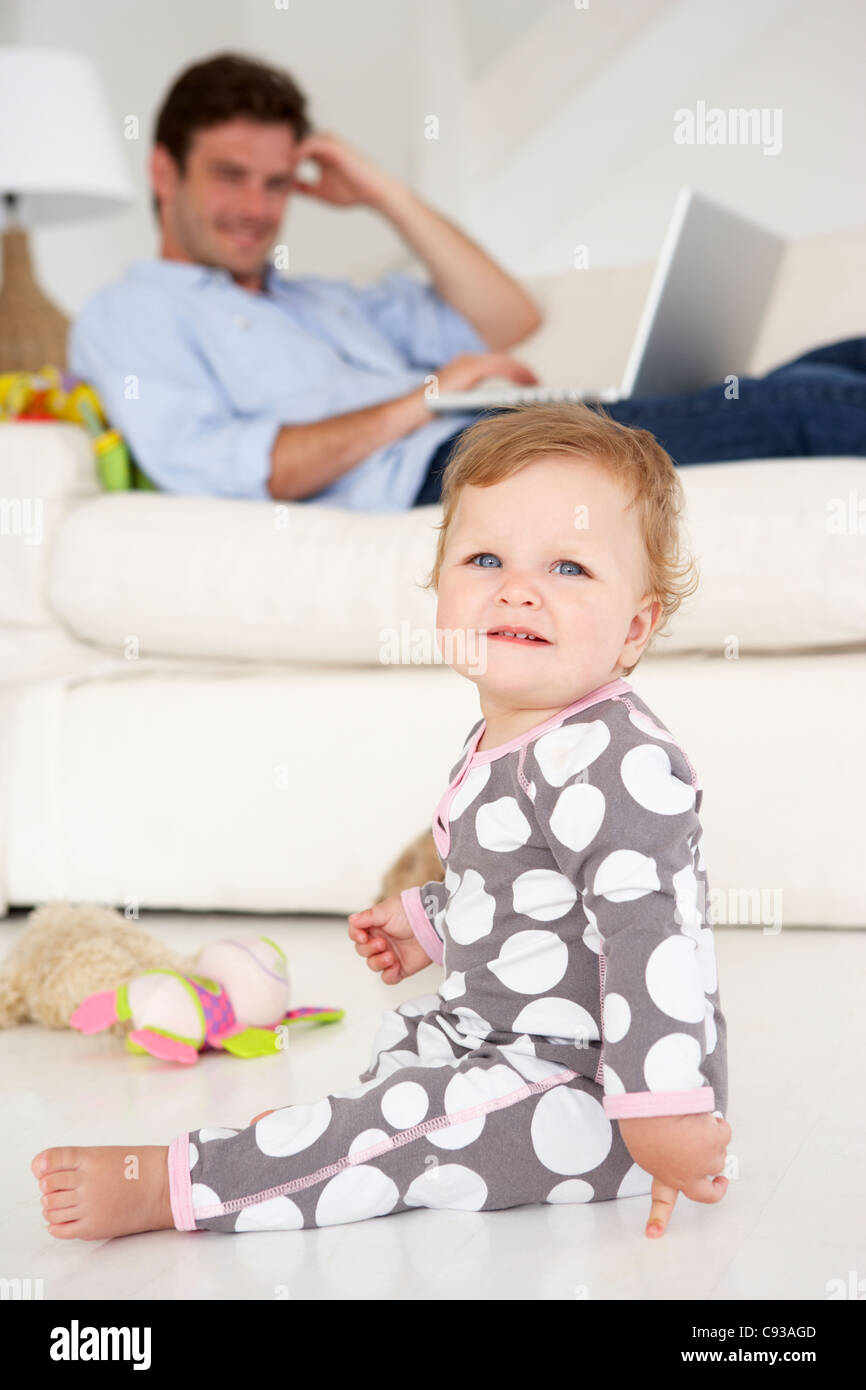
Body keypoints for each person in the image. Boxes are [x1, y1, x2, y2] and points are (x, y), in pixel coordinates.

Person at [32, 402, 731, 1242]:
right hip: (503, 1044)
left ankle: (181, 1185)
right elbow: (531, 899)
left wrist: (662, 1110)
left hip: (594, 1100)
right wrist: (431, 924)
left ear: (636, 628)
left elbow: (651, 933)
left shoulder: (615, 757)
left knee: (399, 1120)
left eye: (570, 568)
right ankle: (339, 1148)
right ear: (441, 585)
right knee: (398, 1061)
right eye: (485, 558)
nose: (518, 587)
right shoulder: (509, 736)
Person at [68, 52, 866, 512]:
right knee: (798, 408)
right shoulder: (129, 314)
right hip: (444, 471)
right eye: (230, 176)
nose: (256, 207)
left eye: (276, 182)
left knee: (842, 362)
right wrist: (424, 398)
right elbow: (236, 468)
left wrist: (385, 192)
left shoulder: (319, 299)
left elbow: (508, 316)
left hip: (491, 432)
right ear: (163, 170)